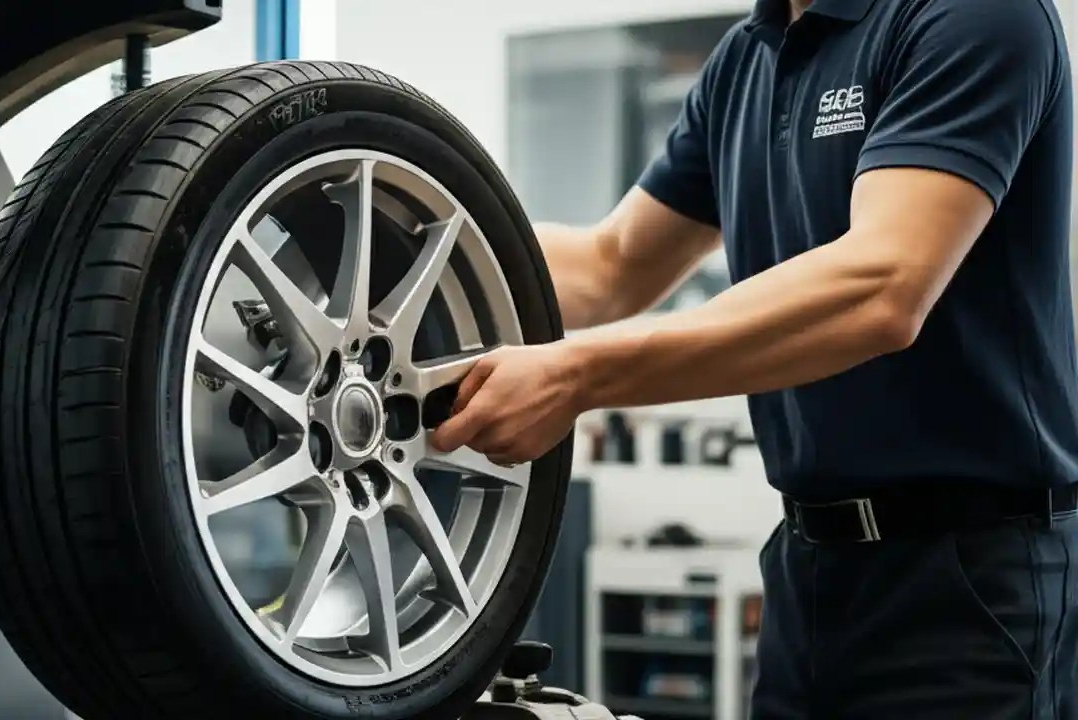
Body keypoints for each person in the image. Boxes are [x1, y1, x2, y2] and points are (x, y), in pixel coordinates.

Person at [429, 0, 1078, 716]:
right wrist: (413, 252)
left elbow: (884, 287)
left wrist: (578, 373)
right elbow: (609, 267)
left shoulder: (973, 15)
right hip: (808, 570)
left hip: (971, 577)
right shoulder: (748, 56)